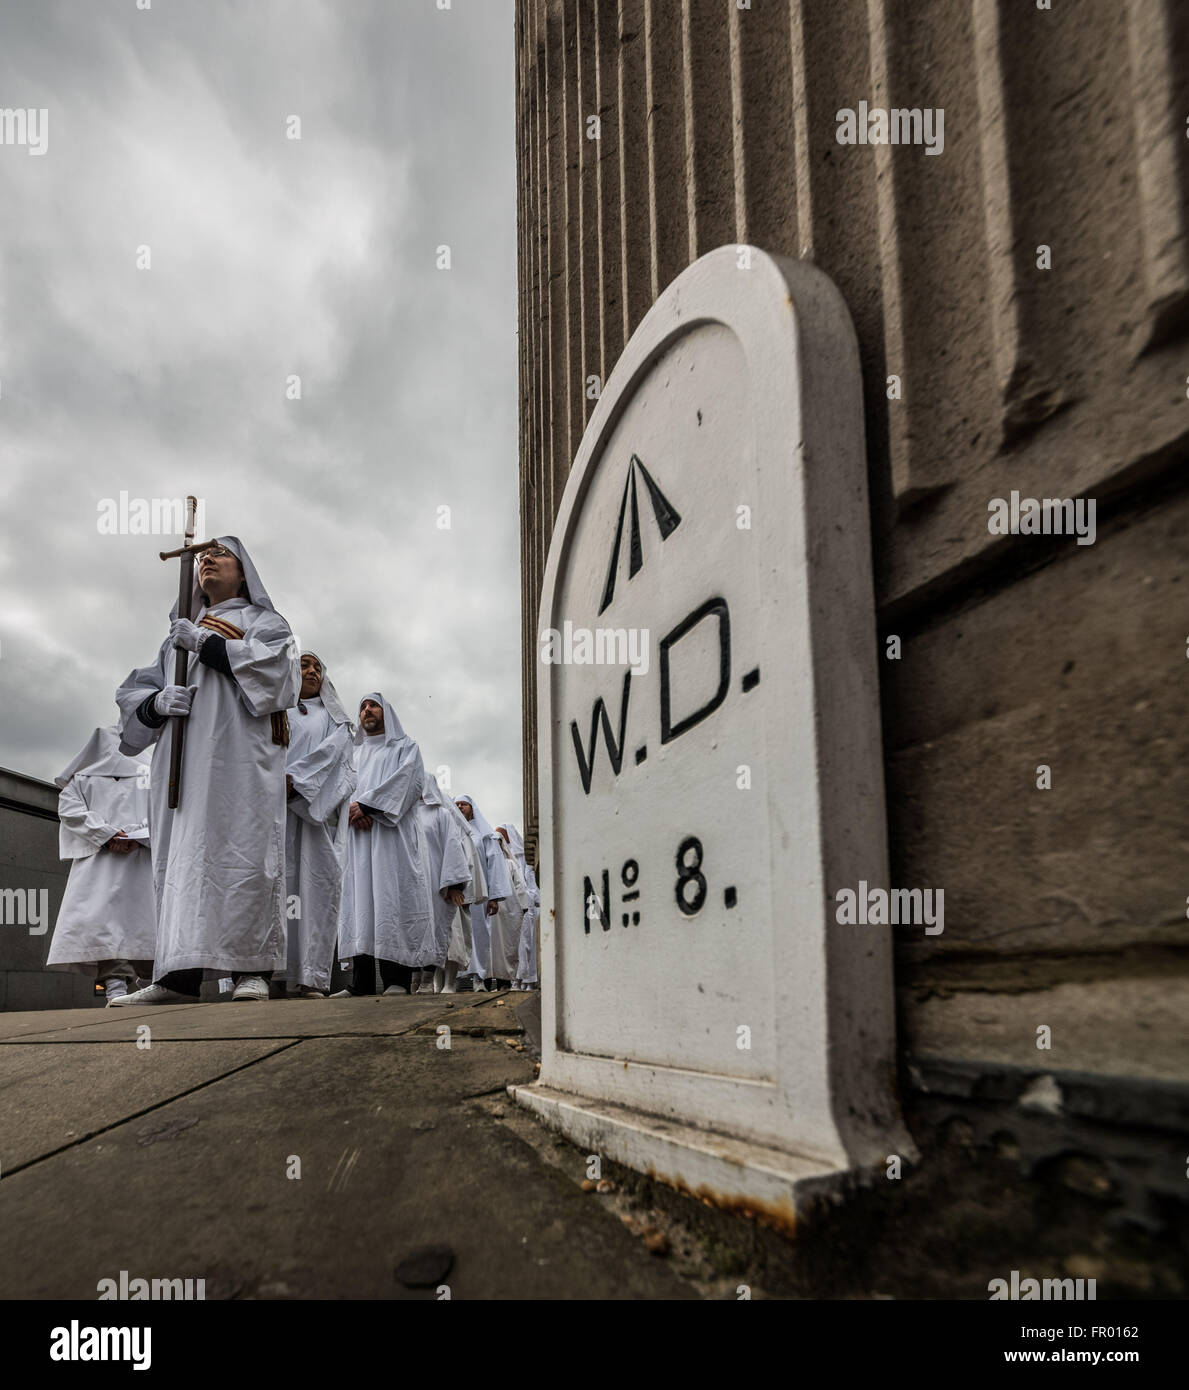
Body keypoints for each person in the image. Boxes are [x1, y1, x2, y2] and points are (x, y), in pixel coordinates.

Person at [111, 537, 300, 1006]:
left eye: (219, 555)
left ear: (243, 572)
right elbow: (136, 696)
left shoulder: (265, 623)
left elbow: (279, 679)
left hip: (240, 762)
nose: (206, 562)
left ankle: (250, 970)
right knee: (184, 862)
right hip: (184, 764)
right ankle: (179, 977)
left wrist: (210, 646)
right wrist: (156, 705)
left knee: (244, 854)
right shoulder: (177, 633)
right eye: (201, 558)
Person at [46, 725, 156, 1003]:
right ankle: (136, 985)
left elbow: (70, 811)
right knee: (140, 923)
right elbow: (163, 811)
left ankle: (119, 987)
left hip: (103, 862)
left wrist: (108, 835)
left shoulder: (81, 779)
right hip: (138, 860)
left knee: (108, 926)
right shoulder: (151, 775)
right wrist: (131, 835)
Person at [335, 693, 428, 997]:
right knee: (358, 904)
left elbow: (409, 782)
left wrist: (368, 806)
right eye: (362, 706)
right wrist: (351, 808)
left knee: (389, 900)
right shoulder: (352, 753)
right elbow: (339, 786)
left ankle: (396, 980)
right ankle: (360, 983)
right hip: (356, 840)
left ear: (386, 712)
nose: (366, 710)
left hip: (390, 839)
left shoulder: (405, 747)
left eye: (373, 705)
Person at [279, 652, 355, 998]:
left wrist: (297, 783)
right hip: (272, 814)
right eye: (304, 666)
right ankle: (268, 972)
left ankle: (310, 975)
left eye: (318, 668)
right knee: (275, 888)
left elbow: (335, 761)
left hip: (313, 816)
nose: (312, 671)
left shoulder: (335, 721)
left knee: (314, 891)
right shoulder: (273, 710)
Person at [410, 774, 471, 994]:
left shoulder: (441, 814)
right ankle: (414, 977)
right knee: (411, 928)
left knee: (432, 928)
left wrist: (454, 885)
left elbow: (452, 848)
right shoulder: (404, 813)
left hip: (435, 882)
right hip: (410, 883)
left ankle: (428, 978)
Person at [453, 793, 510, 991]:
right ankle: (454, 980)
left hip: (479, 894)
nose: (460, 807)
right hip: (455, 894)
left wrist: (494, 898)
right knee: (456, 935)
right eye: (457, 804)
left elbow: (494, 865)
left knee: (479, 935)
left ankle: (479, 979)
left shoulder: (485, 835)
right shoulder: (451, 829)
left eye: (464, 804)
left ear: (472, 808)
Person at [490, 825, 534, 989]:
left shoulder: (510, 864)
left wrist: (522, 908)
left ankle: (506, 981)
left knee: (507, 948)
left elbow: (520, 887)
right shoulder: (487, 864)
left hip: (508, 913)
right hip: (491, 915)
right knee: (491, 950)